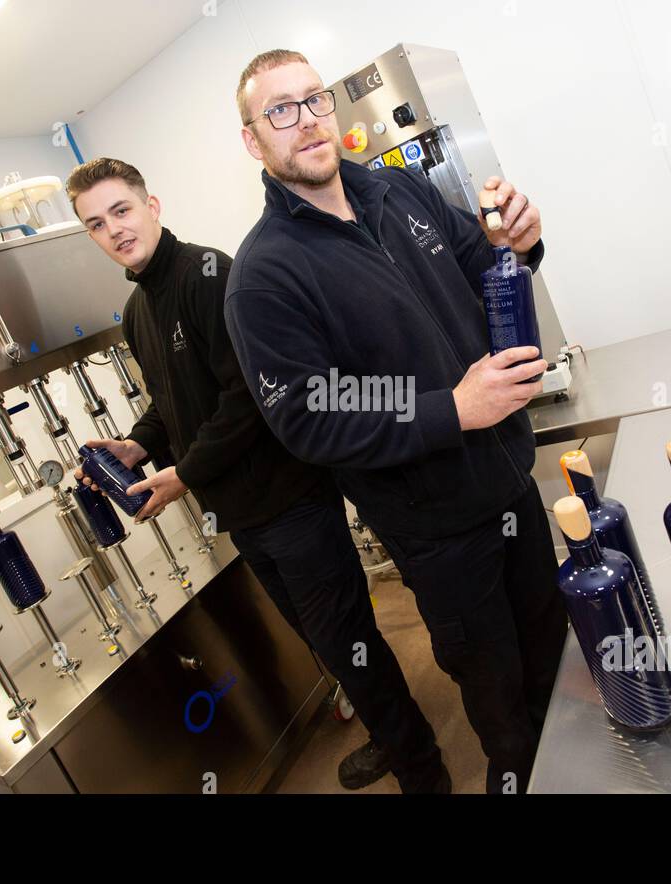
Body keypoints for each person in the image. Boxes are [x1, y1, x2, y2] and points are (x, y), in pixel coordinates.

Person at [224, 51, 569, 793]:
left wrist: (521, 242)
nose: (307, 120)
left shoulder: (399, 190)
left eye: (314, 99)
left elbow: (486, 262)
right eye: (279, 110)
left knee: (555, 658)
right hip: (439, 532)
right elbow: (313, 414)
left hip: (512, 480)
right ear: (254, 140)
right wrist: (453, 408)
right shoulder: (264, 275)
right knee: (502, 708)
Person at [65, 157, 447, 793]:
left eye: (122, 211)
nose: (115, 230)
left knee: (346, 635)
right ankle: (393, 732)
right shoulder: (137, 311)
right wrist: (137, 444)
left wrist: (182, 474)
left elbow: (249, 396)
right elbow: (172, 400)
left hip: (291, 502)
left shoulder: (209, 276)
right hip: (242, 516)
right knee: (322, 639)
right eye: (97, 224)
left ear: (152, 204)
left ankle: (424, 771)